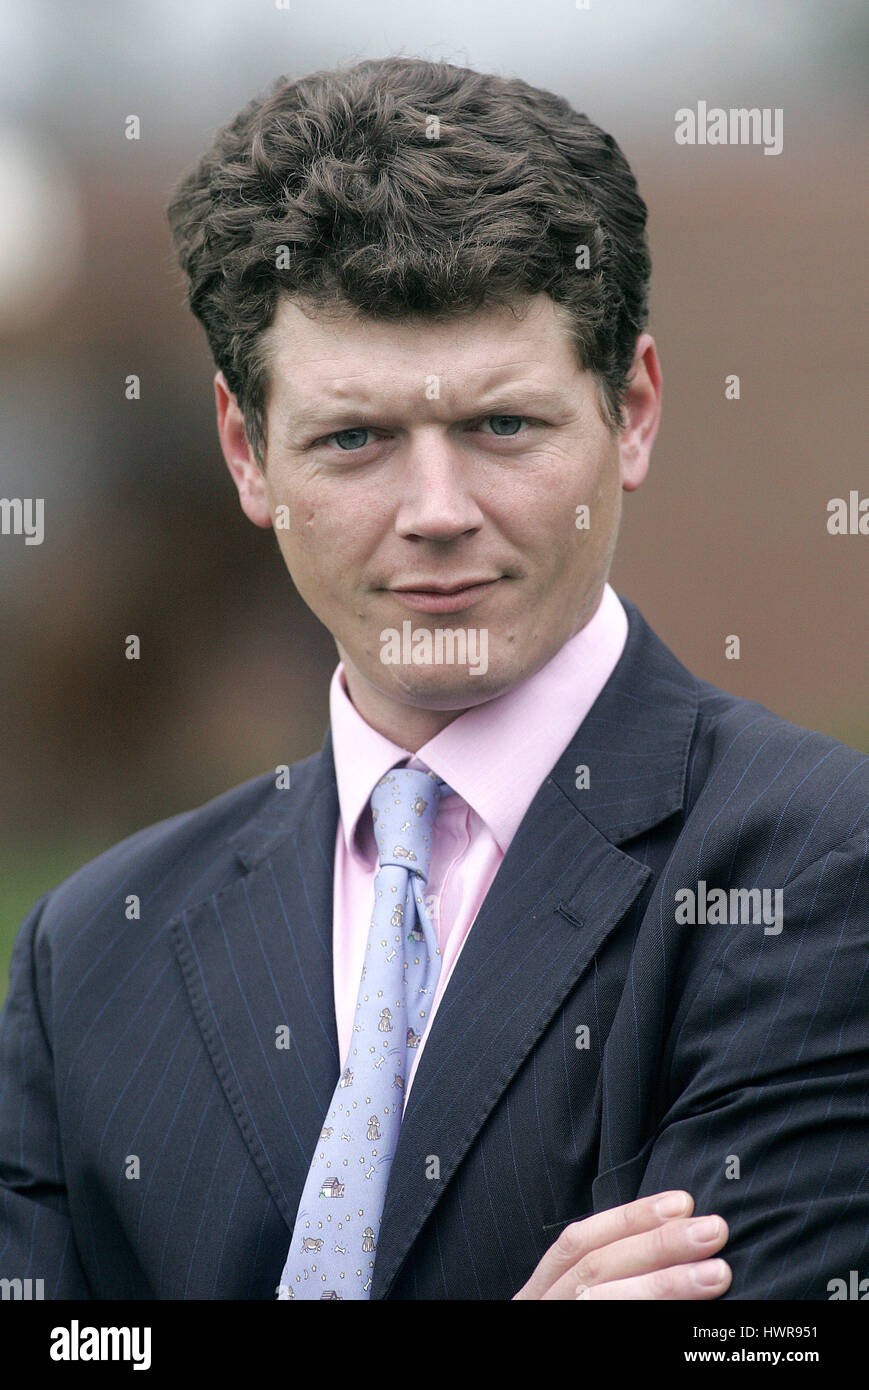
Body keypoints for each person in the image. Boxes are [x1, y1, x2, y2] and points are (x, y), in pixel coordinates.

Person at [1, 55, 866, 1302]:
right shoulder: (88, 952)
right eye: (353, 440)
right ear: (247, 453)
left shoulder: (817, 870)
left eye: (499, 426)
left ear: (630, 411)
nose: (435, 511)